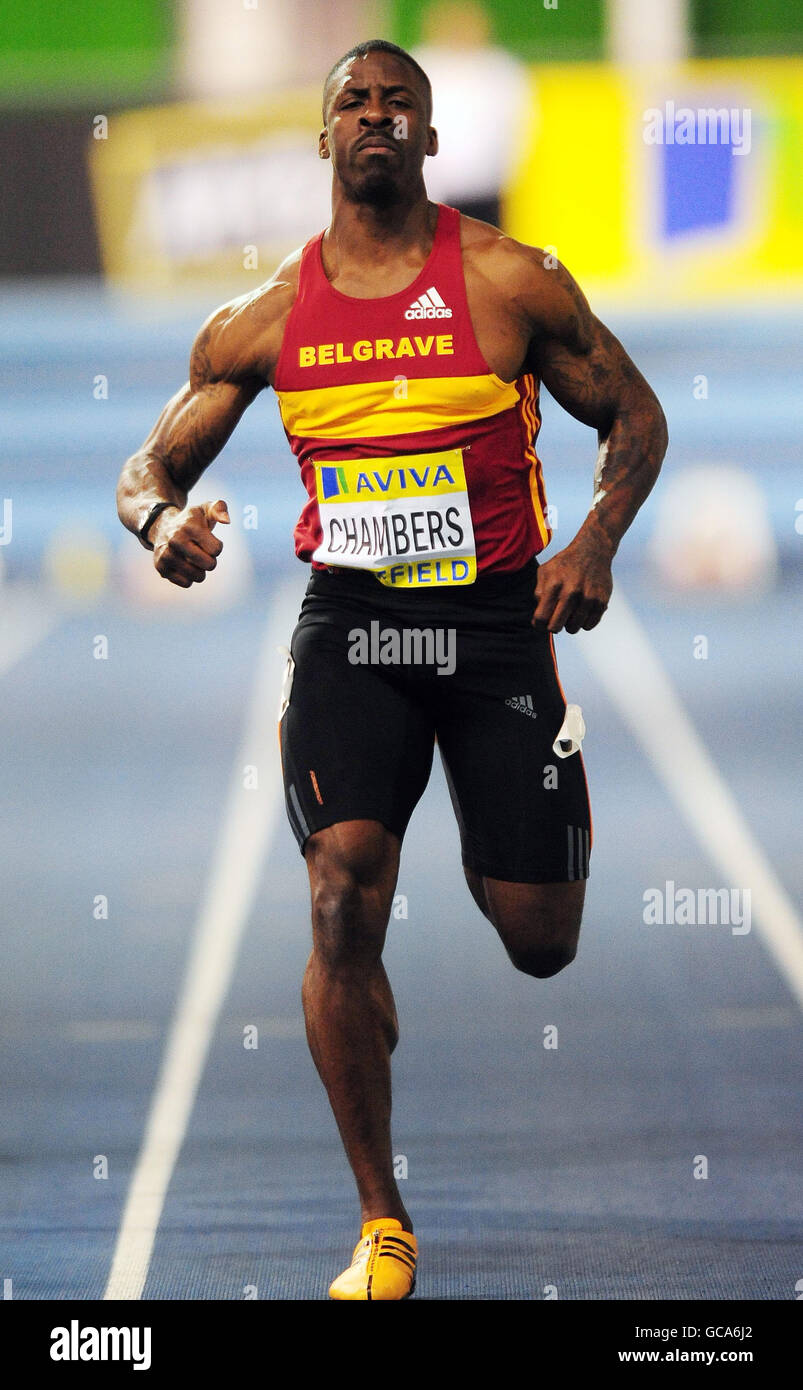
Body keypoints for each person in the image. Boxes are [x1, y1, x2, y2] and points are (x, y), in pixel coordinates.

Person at [116, 39, 668, 1301]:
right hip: (353, 629)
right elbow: (147, 470)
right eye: (351, 103)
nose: (373, 117)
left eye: (395, 103)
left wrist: (591, 540)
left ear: (427, 135)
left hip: (492, 627)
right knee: (338, 894)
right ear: (322, 139)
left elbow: (633, 415)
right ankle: (382, 1222)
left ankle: (451, 879)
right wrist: (160, 525)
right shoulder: (265, 318)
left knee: (538, 939)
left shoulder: (510, 281)